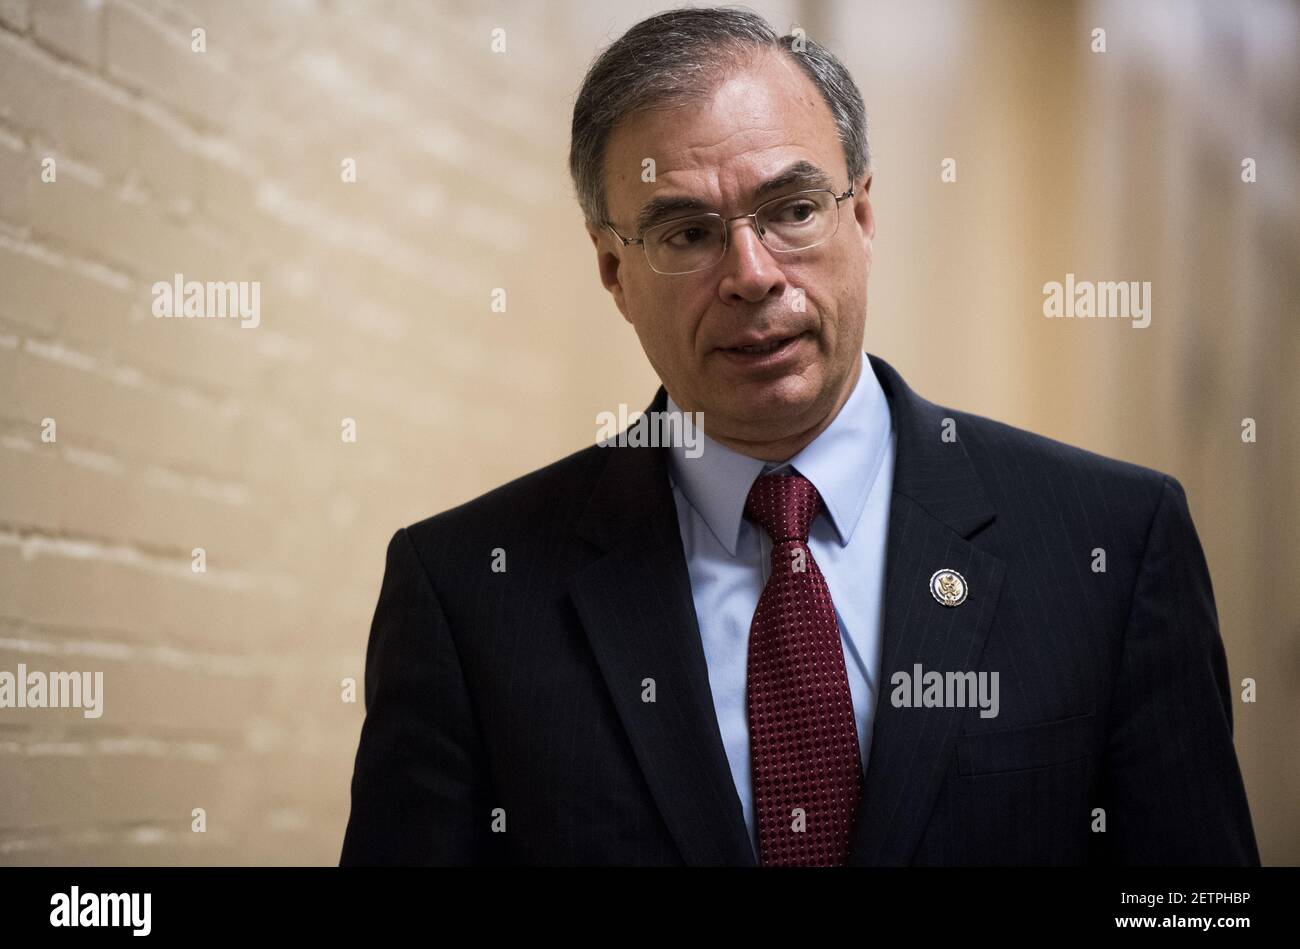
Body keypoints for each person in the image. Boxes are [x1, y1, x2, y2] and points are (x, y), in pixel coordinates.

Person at [340, 7, 1259, 866]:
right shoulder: (467, 592)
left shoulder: (1111, 541)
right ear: (615, 272)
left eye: (792, 210)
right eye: (686, 232)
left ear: (861, 215)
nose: (750, 275)